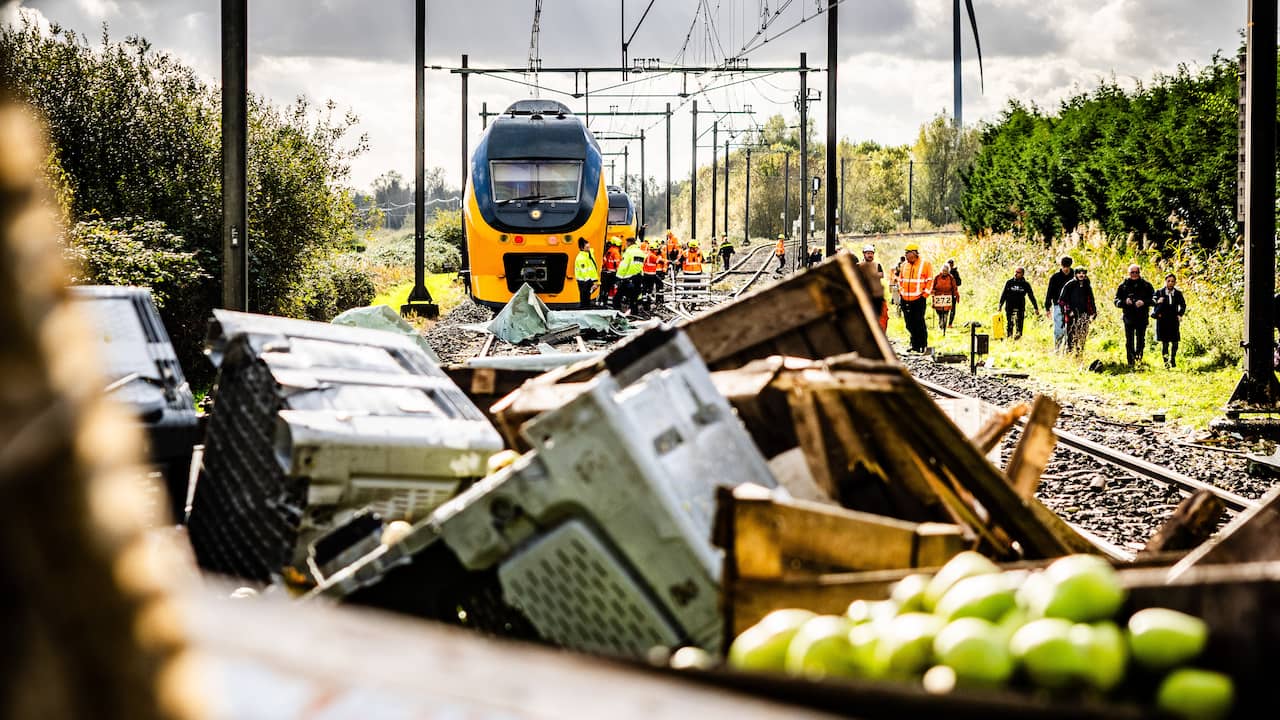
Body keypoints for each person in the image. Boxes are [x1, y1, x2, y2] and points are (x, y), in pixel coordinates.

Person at [1114, 263, 1155, 367]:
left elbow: (1154, 299)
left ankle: (1139, 359)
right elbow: (1116, 300)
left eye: (1136, 272)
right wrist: (1124, 301)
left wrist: (1144, 302)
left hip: (1142, 316)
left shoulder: (1146, 285)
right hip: (1129, 317)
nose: (1134, 274)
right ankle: (1131, 361)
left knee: (1141, 340)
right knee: (1129, 341)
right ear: (1129, 273)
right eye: (1132, 272)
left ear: (1139, 273)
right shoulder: (1123, 286)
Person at [897, 243, 933, 352]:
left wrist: (925, 295)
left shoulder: (925, 264)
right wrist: (901, 291)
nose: (907, 256)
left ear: (915, 253)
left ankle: (922, 345)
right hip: (905, 299)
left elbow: (930, 280)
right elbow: (900, 280)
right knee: (909, 323)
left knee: (919, 323)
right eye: (906, 254)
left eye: (909, 254)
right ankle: (914, 344)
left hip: (919, 299)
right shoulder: (904, 265)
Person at [1058, 267, 1096, 358]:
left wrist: (1093, 312)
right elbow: (1061, 300)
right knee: (1071, 336)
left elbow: (1091, 300)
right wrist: (1068, 311)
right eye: (1079, 273)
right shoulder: (1070, 284)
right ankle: (1068, 355)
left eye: (1083, 273)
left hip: (1084, 314)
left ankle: (1079, 355)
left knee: (1082, 335)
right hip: (1071, 315)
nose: (1081, 275)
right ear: (1076, 274)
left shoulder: (1087, 285)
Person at [1152, 273, 1187, 368]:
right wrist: (1157, 303)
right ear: (1165, 281)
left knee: (1175, 341)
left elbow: (1183, 305)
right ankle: (1166, 362)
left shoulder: (1178, 293)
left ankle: (1173, 358)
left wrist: (1180, 314)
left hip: (1173, 319)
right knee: (1165, 342)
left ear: (1175, 282)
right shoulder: (1159, 292)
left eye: (1172, 281)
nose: (1170, 283)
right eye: (1168, 281)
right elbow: (1153, 301)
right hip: (1162, 319)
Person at [997, 266, 1039, 339]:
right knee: (1010, 322)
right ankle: (1009, 337)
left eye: (1018, 272)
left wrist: (1035, 307)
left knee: (1019, 323)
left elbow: (1031, 296)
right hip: (1009, 305)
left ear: (1022, 274)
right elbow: (1004, 294)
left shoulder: (1026, 284)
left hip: (1020, 306)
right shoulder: (1009, 282)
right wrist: (1000, 305)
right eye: (1015, 272)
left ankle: (1018, 337)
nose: (1016, 274)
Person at [1045, 256, 1074, 350]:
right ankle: (1057, 348)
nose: (1066, 269)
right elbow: (1049, 292)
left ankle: (1067, 349)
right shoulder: (1055, 277)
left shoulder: (1074, 276)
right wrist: (1047, 307)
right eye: (1064, 266)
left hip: (1072, 306)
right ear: (1061, 266)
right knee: (1058, 330)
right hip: (1058, 305)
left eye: (1067, 266)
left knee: (1070, 329)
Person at [614, 235, 646, 314]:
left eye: (626, 243)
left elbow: (623, 266)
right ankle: (634, 315)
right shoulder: (641, 253)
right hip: (638, 277)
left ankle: (616, 313)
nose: (626, 244)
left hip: (628, 278)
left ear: (629, 243)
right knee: (633, 299)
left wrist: (618, 278)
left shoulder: (628, 252)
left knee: (617, 298)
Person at [861, 245, 887, 331]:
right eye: (868, 253)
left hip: (876, 295)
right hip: (864, 296)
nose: (870, 255)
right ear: (864, 254)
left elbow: (881, 275)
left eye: (871, 253)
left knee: (881, 317)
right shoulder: (859, 265)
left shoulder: (877, 265)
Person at [931, 264, 959, 334]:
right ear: (941, 271)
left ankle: (943, 324)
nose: (944, 272)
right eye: (943, 271)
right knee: (939, 311)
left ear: (948, 271)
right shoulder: (937, 277)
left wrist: (955, 294)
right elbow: (933, 286)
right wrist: (932, 292)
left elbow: (954, 287)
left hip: (947, 296)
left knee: (946, 311)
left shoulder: (951, 278)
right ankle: (941, 320)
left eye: (946, 271)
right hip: (938, 296)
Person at [573, 237, 598, 309]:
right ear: (582, 248)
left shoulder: (589, 255)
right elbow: (584, 271)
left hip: (588, 280)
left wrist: (595, 281)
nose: (589, 248)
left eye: (589, 247)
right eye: (587, 247)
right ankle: (583, 309)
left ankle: (585, 308)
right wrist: (591, 282)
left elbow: (592, 269)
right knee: (584, 297)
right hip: (584, 281)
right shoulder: (581, 258)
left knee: (586, 298)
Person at [599, 236, 622, 307]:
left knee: (605, 289)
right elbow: (618, 264)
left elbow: (604, 262)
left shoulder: (608, 251)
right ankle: (611, 304)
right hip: (613, 273)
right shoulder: (616, 252)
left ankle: (603, 302)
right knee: (613, 288)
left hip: (606, 272)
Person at [641, 242, 661, 311]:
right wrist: (661, 257)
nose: (657, 251)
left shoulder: (647, 254)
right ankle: (647, 305)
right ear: (653, 249)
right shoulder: (652, 255)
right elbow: (659, 261)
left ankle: (645, 303)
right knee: (650, 289)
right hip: (650, 275)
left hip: (646, 274)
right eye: (656, 249)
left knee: (645, 289)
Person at [946, 259, 962, 328]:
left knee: (952, 308)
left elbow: (959, 282)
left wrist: (953, 284)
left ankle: (950, 324)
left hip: (952, 293)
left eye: (951, 264)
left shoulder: (955, 272)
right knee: (945, 308)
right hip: (945, 293)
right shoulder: (944, 272)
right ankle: (944, 323)